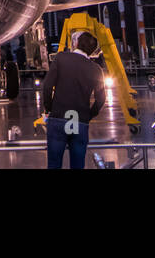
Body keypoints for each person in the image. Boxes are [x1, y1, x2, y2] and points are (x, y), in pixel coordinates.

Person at [40, 31, 106, 169]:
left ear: (76, 43)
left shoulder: (61, 58)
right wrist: (88, 115)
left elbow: (47, 87)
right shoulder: (96, 69)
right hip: (79, 121)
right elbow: (101, 99)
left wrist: (50, 109)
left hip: (58, 118)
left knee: (54, 164)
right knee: (78, 165)